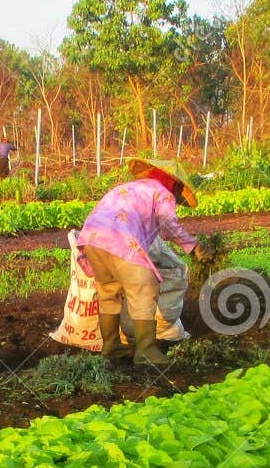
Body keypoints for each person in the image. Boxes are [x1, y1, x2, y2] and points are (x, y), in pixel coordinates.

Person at [76, 157, 201, 367]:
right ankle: (146, 350)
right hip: (119, 239)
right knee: (145, 287)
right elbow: (169, 225)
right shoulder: (163, 193)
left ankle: (111, 346)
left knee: (108, 290)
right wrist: (194, 246)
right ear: (174, 184)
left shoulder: (127, 188)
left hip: (91, 237)